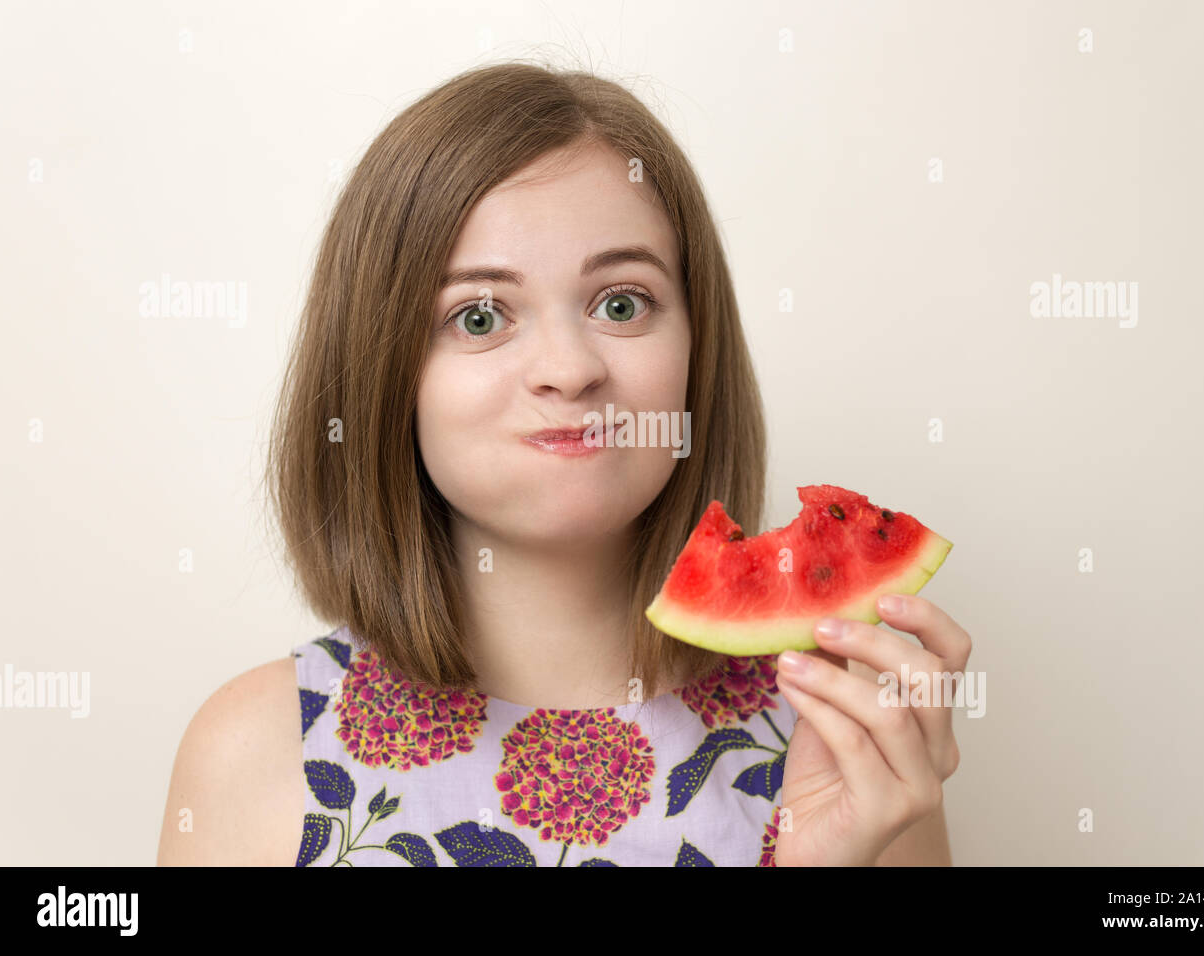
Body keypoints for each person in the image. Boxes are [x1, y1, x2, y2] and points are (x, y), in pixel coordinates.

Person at [156, 60, 967, 867]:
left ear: (697, 344)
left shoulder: (838, 740)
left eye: (622, 303)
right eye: (479, 316)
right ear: (381, 376)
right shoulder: (260, 755)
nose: (570, 368)